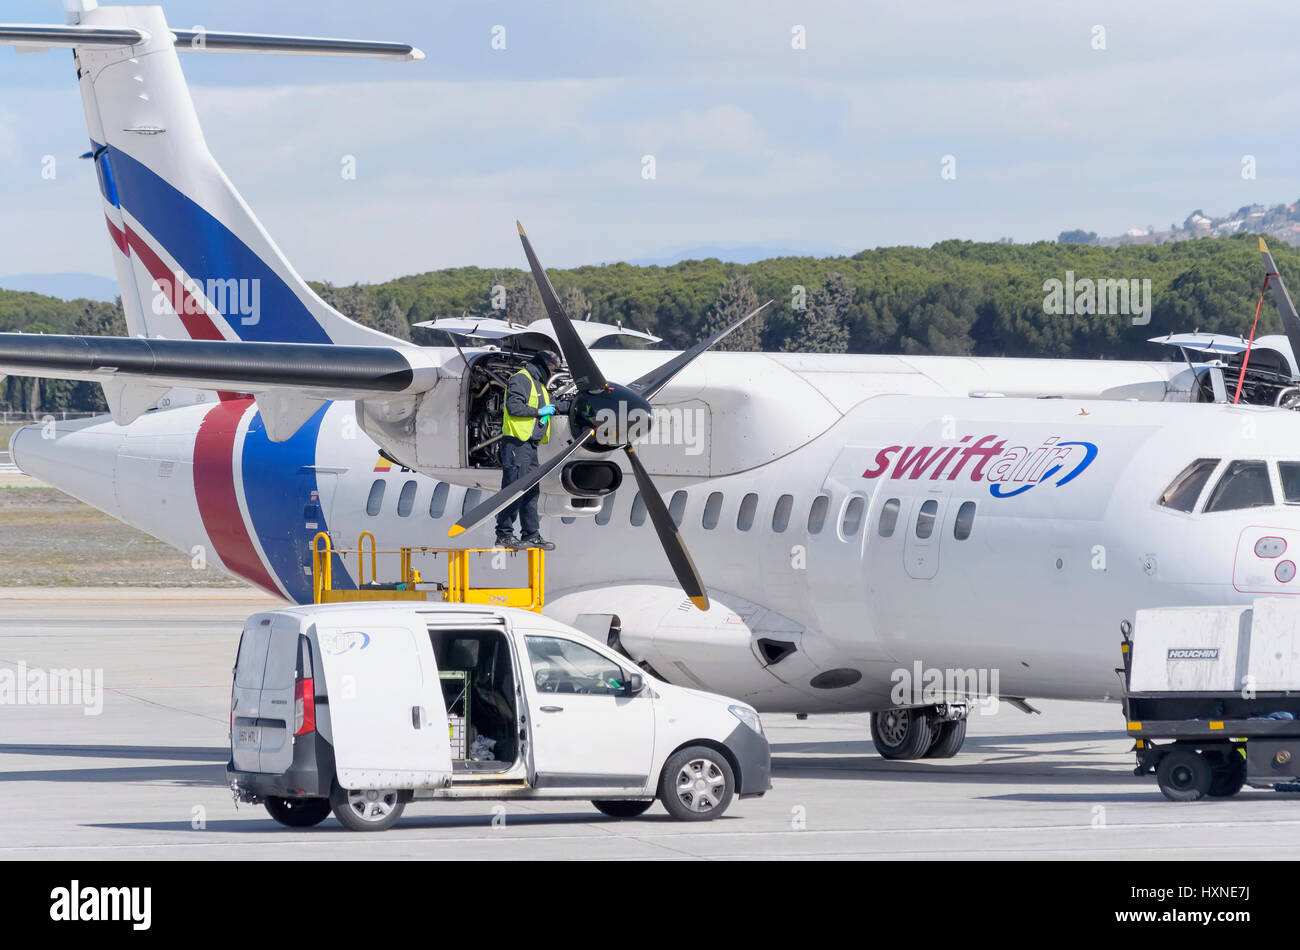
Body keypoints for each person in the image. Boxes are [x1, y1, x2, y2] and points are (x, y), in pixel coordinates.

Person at [496, 350, 561, 550]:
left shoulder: (539, 384)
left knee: (532, 491)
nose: (552, 372)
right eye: (551, 368)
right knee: (514, 489)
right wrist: (539, 412)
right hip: (516, 443)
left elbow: (546, 406)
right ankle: (504, 534)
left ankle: (531, 534)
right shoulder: (521, 379)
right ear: (542, 364)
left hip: (530, 445)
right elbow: (514, 407)